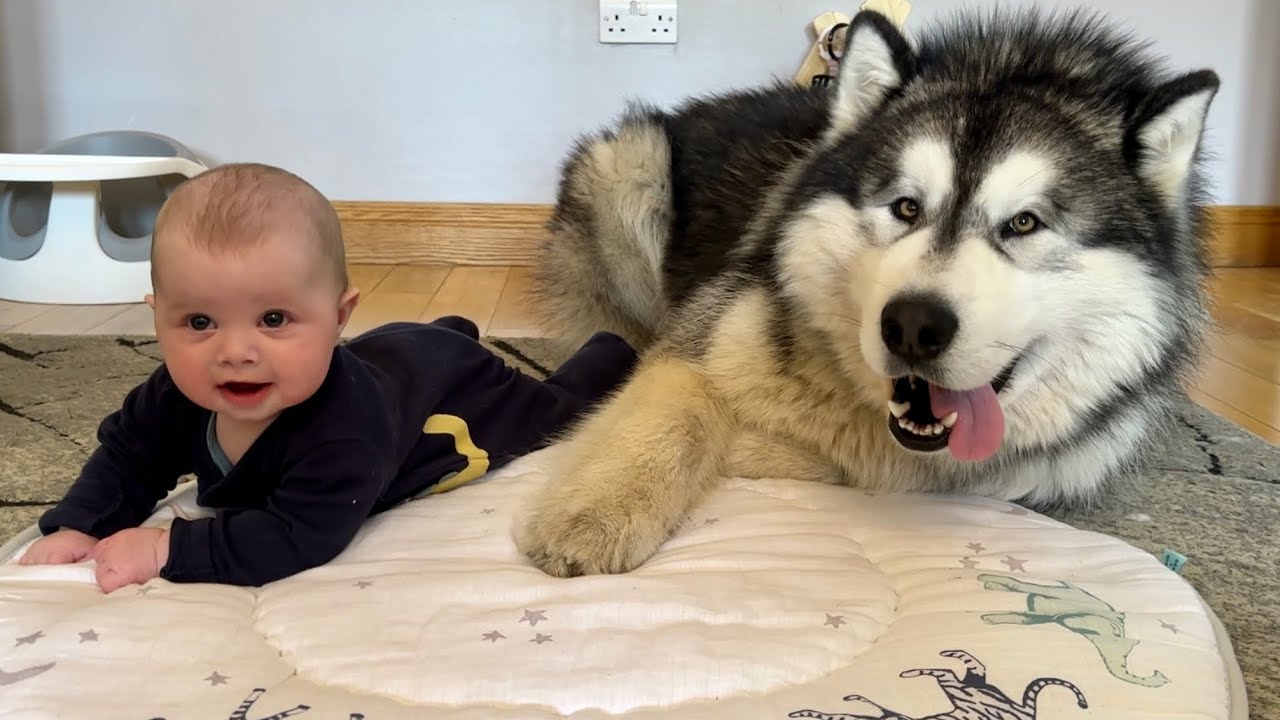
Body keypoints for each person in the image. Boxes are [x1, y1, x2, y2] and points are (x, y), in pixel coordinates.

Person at [17, 162, 637, 591]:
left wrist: (167, 549)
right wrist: (78, 523)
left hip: (457, 393)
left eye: (274, 318)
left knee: (558, 415)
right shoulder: (169, 395)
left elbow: (301, 533)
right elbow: (128, 456)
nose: (235, 351)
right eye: (199, 321)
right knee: (406, 347)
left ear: (338, 317)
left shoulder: (346, 428)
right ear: (156, 319)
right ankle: (446, 330)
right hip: (391, 356)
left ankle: (612, 351)